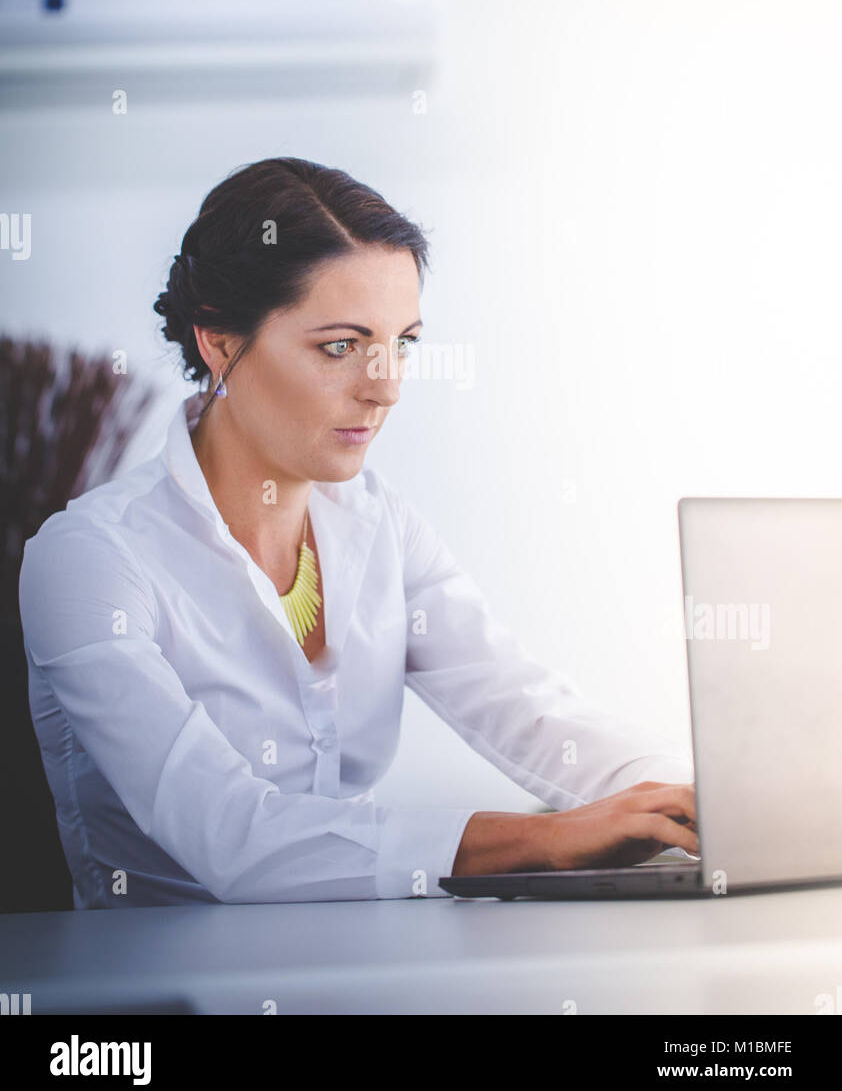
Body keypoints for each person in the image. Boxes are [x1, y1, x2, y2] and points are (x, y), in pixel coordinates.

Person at [19, 156, 697, 909]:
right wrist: (543, 838)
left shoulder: (379, 526)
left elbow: (530, 712)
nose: (387, 385)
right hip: (165, 989)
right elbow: (229, 836)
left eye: (401, 341)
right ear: (217, 342)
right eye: (340, 346)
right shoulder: (91, 561)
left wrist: (693, 800)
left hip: (361, 959)